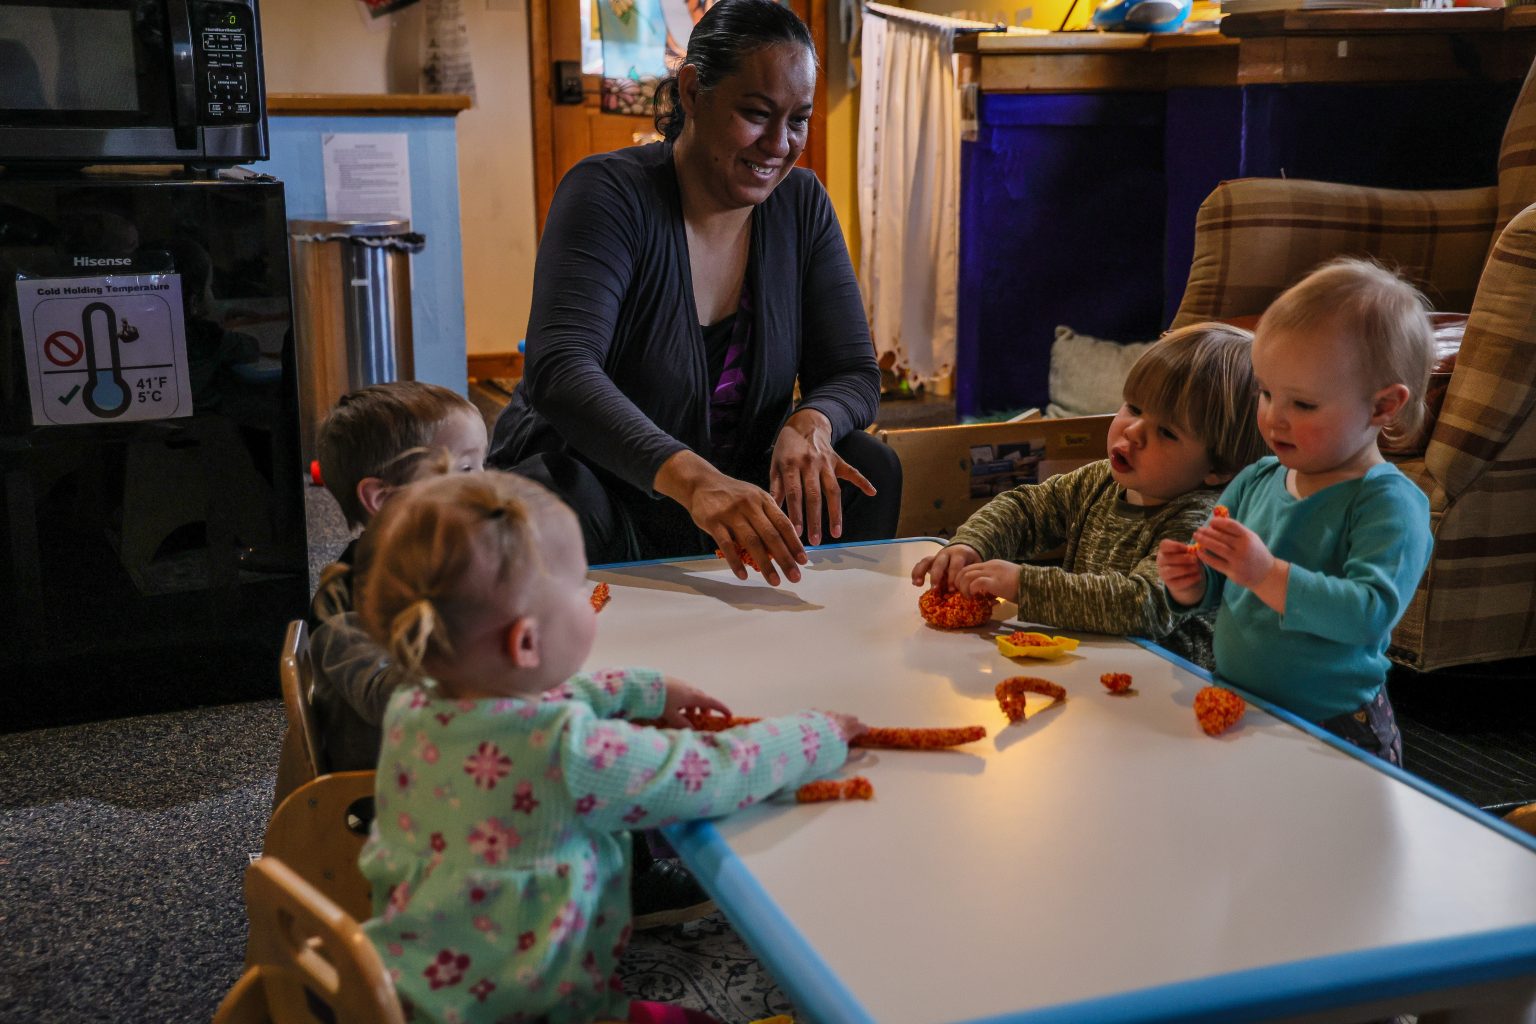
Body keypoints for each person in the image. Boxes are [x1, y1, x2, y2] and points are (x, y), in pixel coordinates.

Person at [354, 470, 866, 1024]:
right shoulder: (569, 751)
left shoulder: (418, 706)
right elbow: (714, 773)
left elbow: (538, 703)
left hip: (423, 995)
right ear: (527, 642)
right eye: (579, 588)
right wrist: (817, 733)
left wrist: (644, 690)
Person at [487, 0, 900, 587]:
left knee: (866, 465)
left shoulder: (801, 205)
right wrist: (693, 480)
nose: (778, 144)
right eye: (756, 114)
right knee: (553, 502)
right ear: (691, 92)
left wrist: (810, 421)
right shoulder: (607, 194)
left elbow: (854, 373)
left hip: (736, 487)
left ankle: (816, 652)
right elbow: (561, 369)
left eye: (799, 120)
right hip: (608, 485)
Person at [1156, 258, 1436, 764]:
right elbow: (1217, 585)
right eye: (1265, 392)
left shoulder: (1388, 504)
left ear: (1382, 408)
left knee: (1328, 841)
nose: (1273, 417)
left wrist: (1265, 572)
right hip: (1241, 701)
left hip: (1335, 729)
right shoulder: (1256, 479)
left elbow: (1368, 613)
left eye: (1303, 405)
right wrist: (1190, 580)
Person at [911, 323, 1268, 668]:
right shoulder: (1101, 480)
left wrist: (1025, 585)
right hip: (1092, 663)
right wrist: (972, 545)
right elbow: (1027, 509)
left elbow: (1140, 605)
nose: (1133, 431)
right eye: (1134, 408)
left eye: (1167, 432)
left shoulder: (1207, 522)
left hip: (1168, 687)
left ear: (1217, 470)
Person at [308, 380, 489, 774]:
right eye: (464, 469)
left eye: (481, 466)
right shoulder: (344, 598)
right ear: (384, 499)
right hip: (403, 790)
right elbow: (386, 696)